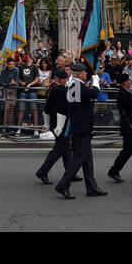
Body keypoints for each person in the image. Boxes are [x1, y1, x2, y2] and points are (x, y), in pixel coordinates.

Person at [54, 63, 106, 198]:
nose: (86, 74)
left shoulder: (73, 86)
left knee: (87, 159)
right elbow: (94, 94)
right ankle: (63, 184)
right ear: (79, 74)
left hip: (79, 126)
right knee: (79, 157)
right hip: (81, 127)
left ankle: (91, 187)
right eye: (84, 72)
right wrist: (95, 81)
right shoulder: (77, 85)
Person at [35, 67, 73, 184]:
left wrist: (46, 123)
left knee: (66, 149)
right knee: (59, 149)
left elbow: (47, 108)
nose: (66, 81)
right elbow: (68, 103)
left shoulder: (51, 88)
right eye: (65, 79)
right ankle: (43, 171)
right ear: (61, 80)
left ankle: (70, 172)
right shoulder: (60, 90)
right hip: (59, 123)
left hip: (54, 121)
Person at [107, 70, 132, 183]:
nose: (128, 82)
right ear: (122, 83)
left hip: (130, 125)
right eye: (126, 81)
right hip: (129, 126)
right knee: (129, 150)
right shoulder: (124, 94)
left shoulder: (125, 93)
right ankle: (115, 170)